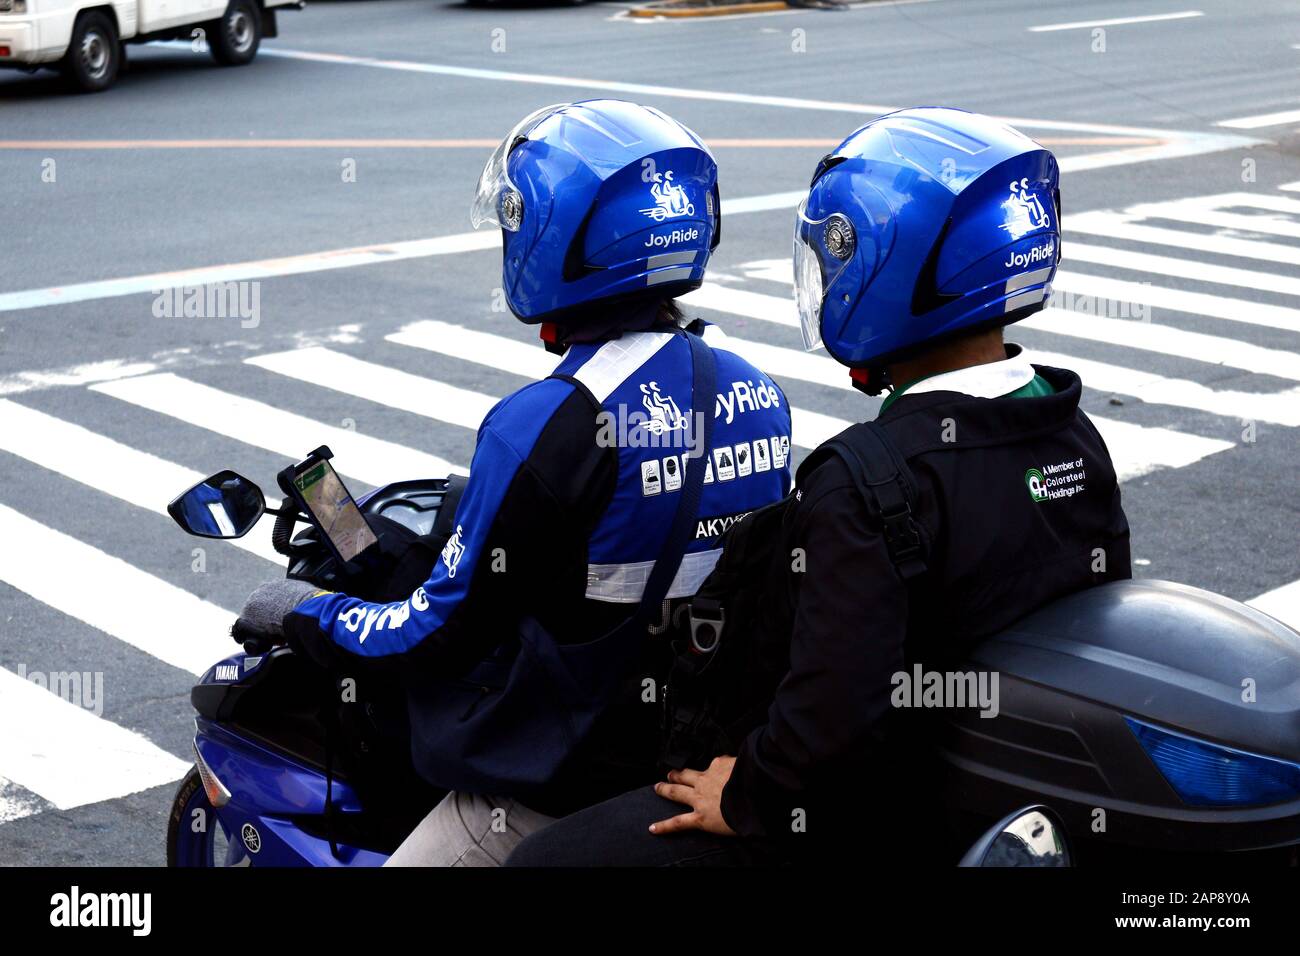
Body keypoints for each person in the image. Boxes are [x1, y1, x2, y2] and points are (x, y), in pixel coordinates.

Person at [505, 107, 1132, 867]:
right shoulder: (1072, 433)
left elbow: (831, 715)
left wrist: (748, 797)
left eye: (841, 258)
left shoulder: (868, 482)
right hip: (988, 795)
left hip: (868, 814)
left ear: (888, 273)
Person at [233, 100, 793, 866]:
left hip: (567, 775)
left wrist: (306, 614)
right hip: (700, 749)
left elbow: (430, 635)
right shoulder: (758, 392)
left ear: (559, 239)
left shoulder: (545, 420)